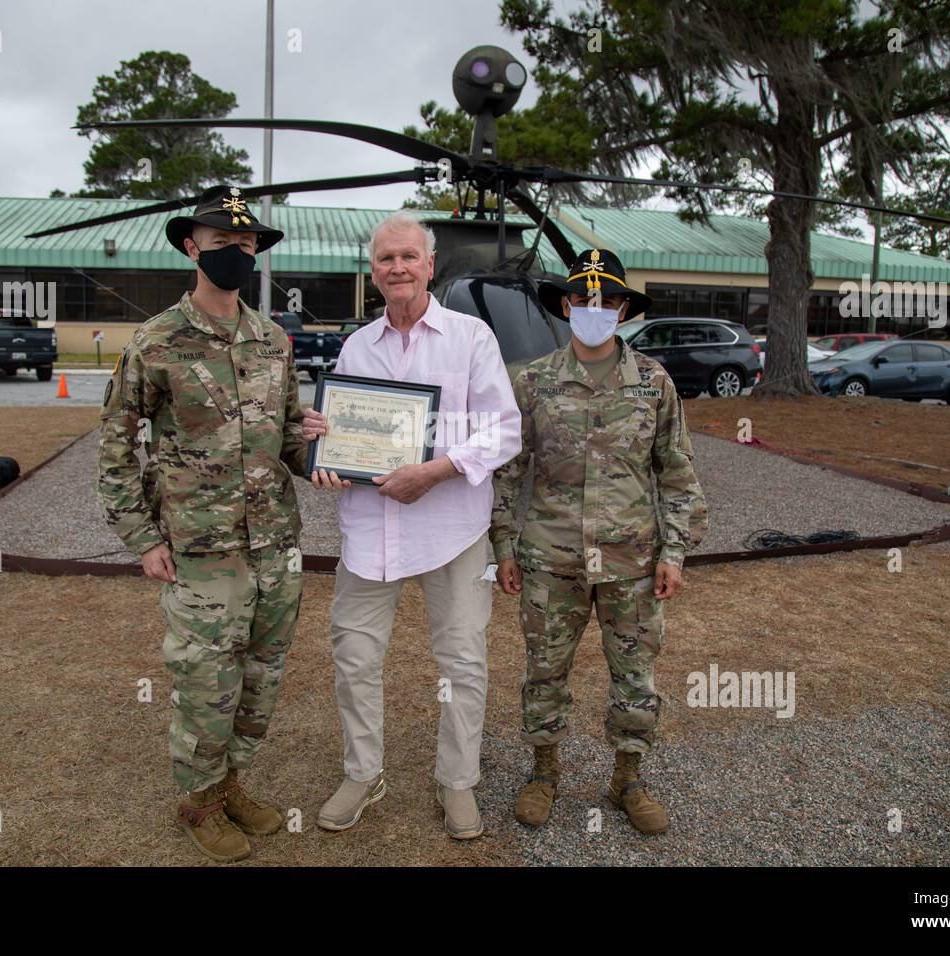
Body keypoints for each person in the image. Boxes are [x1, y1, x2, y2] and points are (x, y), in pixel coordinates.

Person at [98, 185, 309, 862]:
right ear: (192, 247)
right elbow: (116, 444)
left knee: (261, 678)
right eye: (223, 245)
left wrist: (336, 452)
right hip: (201, 551)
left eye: (246, 246)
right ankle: (197, 802)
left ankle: (231, 784)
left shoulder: (273, 341)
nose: (236, 256)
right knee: (205, 685)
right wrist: (141, 538)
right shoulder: (156, 341)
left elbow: (287, 442)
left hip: (274, 546)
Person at [302, 211, 521, 839]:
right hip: (369, 532)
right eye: (384, 260)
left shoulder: (470, 337)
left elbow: (504, 430)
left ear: (429, 265)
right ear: (374, 273)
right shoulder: (357, 345)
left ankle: (458, 782)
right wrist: (325, 446)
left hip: (452, 530)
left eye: (407, 257)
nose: (396, 267)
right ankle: (363, 772)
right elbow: (344, 429)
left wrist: (438, 470)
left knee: (462, 662)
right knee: (355, 656)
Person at [490, 248, 708, 834]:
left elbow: (678, 472)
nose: (594, 307)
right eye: (583, 298)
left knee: (635, 675)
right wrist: (503, 548)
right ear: (565, 305)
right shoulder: (531, 382)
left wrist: (675, 551)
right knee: (545, 669)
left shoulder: (653, 383)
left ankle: (628, 779)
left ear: (623, 309)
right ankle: (543, 771)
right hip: (550, 559)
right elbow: (508, 471)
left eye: (606, 299)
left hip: (631, 561)